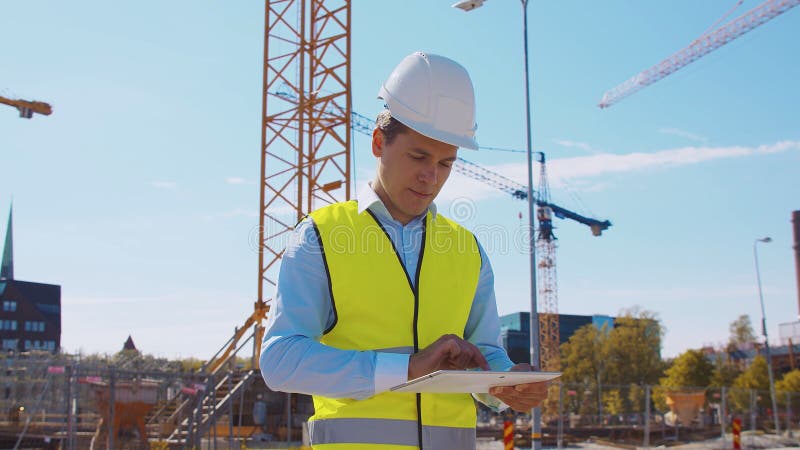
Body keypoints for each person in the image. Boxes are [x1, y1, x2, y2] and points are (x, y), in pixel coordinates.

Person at [260, 51, 549, 449]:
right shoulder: (321, 236)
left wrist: (506, 383)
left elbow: (486, 353)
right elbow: (280, 360)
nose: (431, 176)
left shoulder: (467, 250)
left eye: (446, 164)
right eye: (419, 156)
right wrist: (406, 368)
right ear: (379, 142)